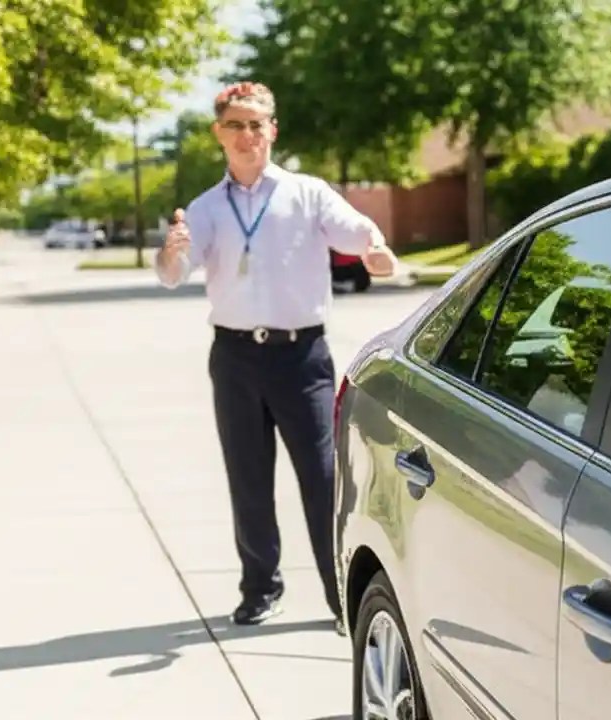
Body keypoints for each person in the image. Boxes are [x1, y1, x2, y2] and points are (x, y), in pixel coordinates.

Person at [155, 81, 397, 625]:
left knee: (322, 478)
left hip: (302, 358)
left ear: (273, 130)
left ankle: (341, 594)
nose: (247, 135)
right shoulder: (207, 208)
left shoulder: (307, 193)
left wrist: (375, 250)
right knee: (248, 476)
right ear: (220, 133)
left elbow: (354, 230)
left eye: (257, 124)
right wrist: (170, 255)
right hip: (235, 358)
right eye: (236, 125)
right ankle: (260, 587)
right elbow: (176, 272)